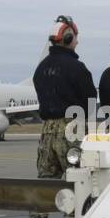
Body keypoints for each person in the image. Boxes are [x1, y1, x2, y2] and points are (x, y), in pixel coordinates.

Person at [32, 16, 96, 177]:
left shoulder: (41, 68)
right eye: (75, 37)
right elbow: (90, 101)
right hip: (72, 129)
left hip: (46, 131)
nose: (77, 42)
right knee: (80, 178)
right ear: (68, 38)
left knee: (47, 179)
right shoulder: (77, 67)